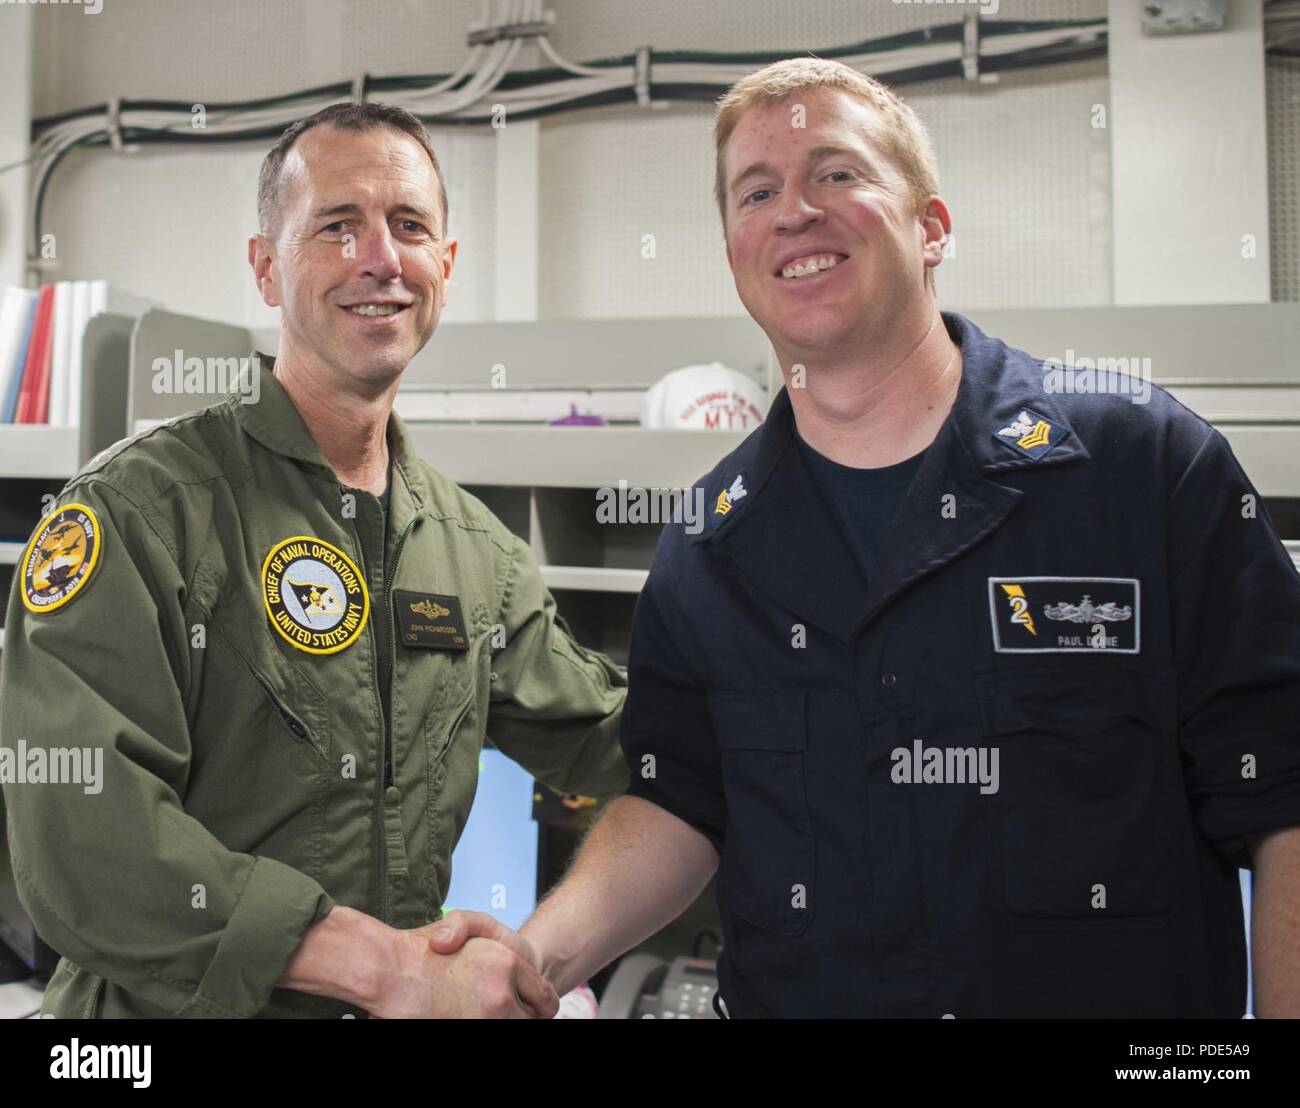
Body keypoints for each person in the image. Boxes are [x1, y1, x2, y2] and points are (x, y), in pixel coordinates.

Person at [432, 58, 1300, 1017]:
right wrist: (533, 962)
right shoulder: (709, 549)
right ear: (736, 257)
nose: (794, 210)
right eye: (756, 192)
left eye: (836, 173)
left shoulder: (1141, 468)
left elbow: (1284, 794)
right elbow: (682, 805)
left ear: (932, 228)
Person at [0, 102, 628, 1018]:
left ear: (445, 267)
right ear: (265, 267)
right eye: (338, 225)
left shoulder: (473, 556)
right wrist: (391, 970)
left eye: (409, 226)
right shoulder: (140, 514)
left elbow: (617, 745)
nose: (381, 257)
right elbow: (85, 842)